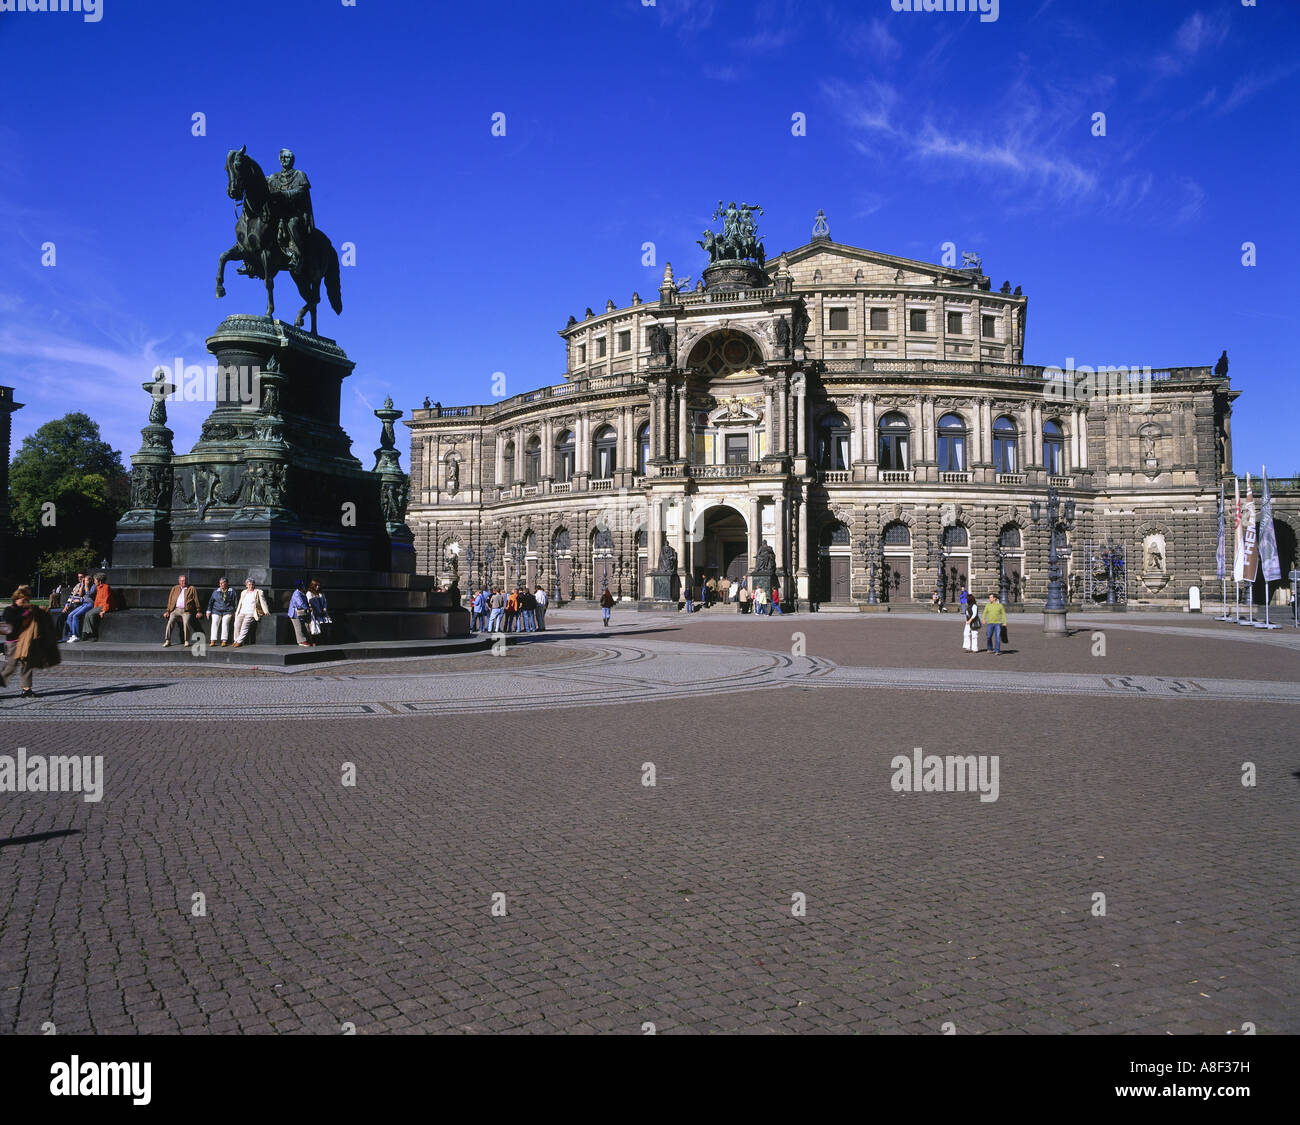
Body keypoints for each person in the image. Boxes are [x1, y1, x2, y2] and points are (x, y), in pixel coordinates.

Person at [2, 586, 59, 698]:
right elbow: (11, 621)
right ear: (16, 599)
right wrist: (25, 614)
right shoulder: (9, 610)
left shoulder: (28, 609)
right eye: (22, 600)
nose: (24, 602)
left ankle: (26, 689)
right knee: (10, 667)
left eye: (26, 600)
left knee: (27, 665)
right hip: (13, 643)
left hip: (25, 642)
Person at [162, 574, 203, 646]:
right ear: (179, 581)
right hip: (176, 610)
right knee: (170, 621)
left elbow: (196, 600)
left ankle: (186, 640)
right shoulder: (175, 588)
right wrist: (168, 611)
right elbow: (170, 600)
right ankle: (167, 640)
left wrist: (198, 611)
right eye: (181, 580)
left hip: (186, 611)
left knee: (186, 622)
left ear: (187, 581)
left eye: (184, 580)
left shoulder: (191, 588)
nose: (183, 582)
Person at [232, 577, 271, 647]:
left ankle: (239, 641)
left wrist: (266, 611)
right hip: (241, 611)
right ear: (246, 585)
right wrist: (237, 612)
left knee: (244, 626)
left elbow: (263, 602)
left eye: (252, 584)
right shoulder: (243, 592)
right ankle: (236, 640)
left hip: (250, 612)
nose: (251, 586)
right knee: (236, 625)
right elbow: (240, 602)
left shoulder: (258, 592)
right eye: (249, 584)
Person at [64, 573, 99, 642]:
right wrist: (83, 585)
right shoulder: (83, 585)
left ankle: (76, 635)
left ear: (90, 580)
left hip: (89, 604)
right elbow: (80, 594)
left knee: (75, 616)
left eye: (85, 580)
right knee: (70, 615)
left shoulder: (93, 586)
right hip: (84, 604)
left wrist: (86, 586)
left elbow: (89, 594)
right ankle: (70, 635)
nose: (84, 581)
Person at [79, 573, 113, 640]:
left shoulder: (106, 587)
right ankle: (86, 632)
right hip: (99, 606)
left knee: (91, 614)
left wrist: (104, 611)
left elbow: (107, 600)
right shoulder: (98, 588)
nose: (94, 581)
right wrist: (95, 607)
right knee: (87, 614)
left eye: (95, 580)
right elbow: (97, 600)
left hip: (103, 606)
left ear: (100, 581)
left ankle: (93, 634)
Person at [207, 577, 238, 647]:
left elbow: (235, 601)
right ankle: (213, 640)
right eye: (220, 583)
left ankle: (224, 640)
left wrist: (235, 611)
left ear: (226, 583)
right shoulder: (216, 591)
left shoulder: (232, 591)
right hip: (216, 610)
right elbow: (211, 601)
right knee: (214, 622)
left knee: (225, 623)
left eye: (222, 583)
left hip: (228, 610)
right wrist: (208, 610)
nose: (220, 585)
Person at [287, 580, 312, 646]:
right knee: (298, 627)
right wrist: (308, 608)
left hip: (301, 613)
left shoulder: (302, 592)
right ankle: (301, 641)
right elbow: (301, 603)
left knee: (305, 626)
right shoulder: (297, 593)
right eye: (303, 585)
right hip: (295, 614)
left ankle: (307, 639)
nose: (304, 587)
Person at [306, 579, 331, 644]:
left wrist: (324, 608)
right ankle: (313, 641)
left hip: (322, 612)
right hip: (314, 613)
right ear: (312, 586)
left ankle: (322, 640)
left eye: (318, 585)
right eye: (316, 585)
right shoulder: (309, 593)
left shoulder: (321, 593)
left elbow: (325, 602)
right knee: (314, 627)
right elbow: (309, 603)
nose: (317, 587)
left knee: (323, 626)